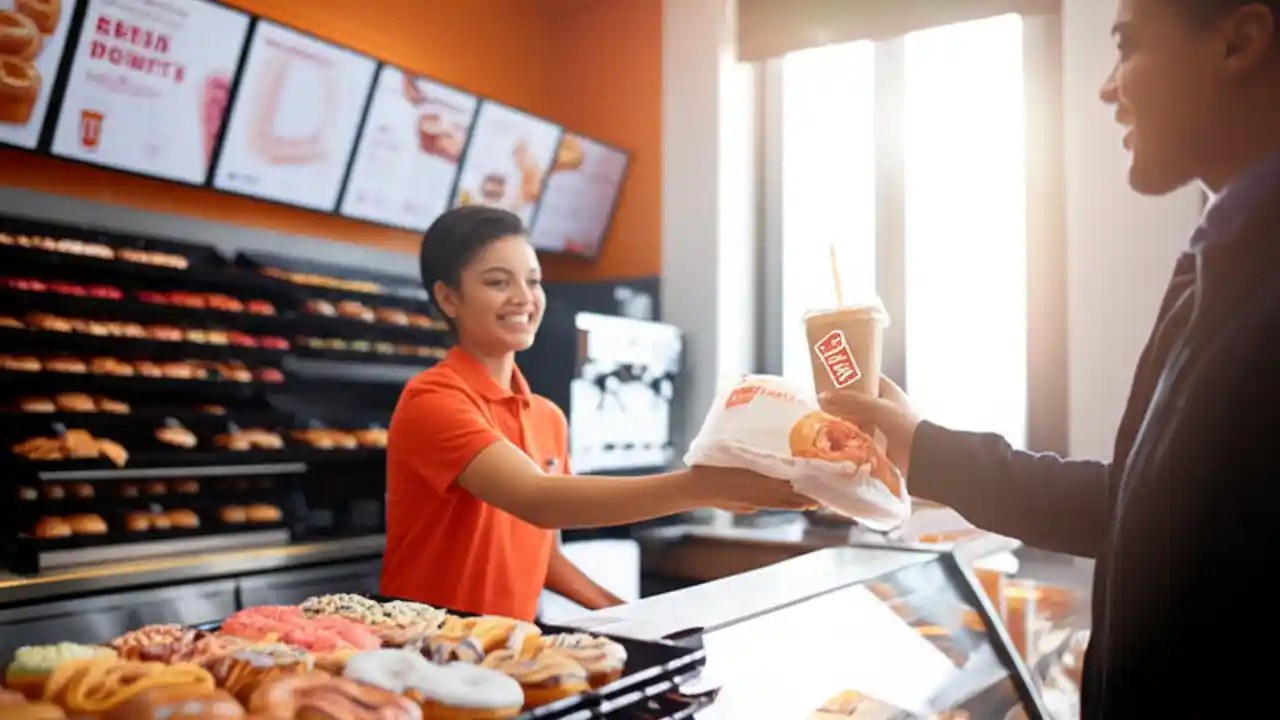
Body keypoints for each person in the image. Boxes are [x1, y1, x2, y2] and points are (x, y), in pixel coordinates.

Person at [821, 0, 1280, 715]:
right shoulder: (1218, 259)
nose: (1107, 88)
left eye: (1127, 47)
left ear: (1240, 42)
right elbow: (1134, 508)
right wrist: (920, 447)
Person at [381, 205, 811, 621]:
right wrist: (701, 486)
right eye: (497, 282)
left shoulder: (547, 417)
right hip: (422, 655)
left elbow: (544, 557)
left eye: (533, 281)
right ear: (448, 298)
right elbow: (536, 500)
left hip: (504, 655)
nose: (523, 298)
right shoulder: (433, 401)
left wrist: (630, 616)